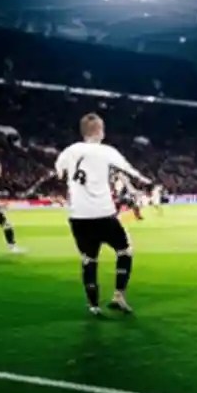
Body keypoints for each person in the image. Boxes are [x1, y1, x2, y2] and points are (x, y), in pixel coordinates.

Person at [54, 113, 151, 316]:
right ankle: (118, 295)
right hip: (102, 213)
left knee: (89, 259)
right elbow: (129, 169)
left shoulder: (70, 150)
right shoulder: (106, 151)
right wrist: (145, 181)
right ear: (99, 131)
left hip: (78, 216)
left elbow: (59, 170)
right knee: (125, 250)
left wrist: (67, 175)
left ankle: (93, 305)